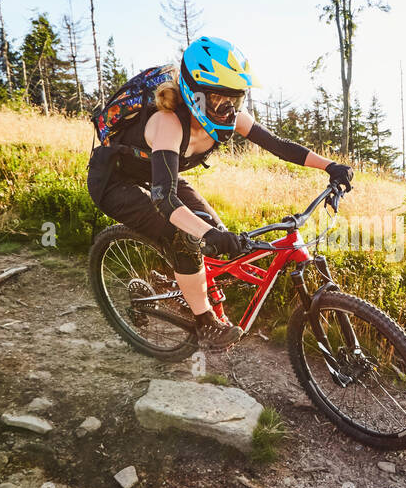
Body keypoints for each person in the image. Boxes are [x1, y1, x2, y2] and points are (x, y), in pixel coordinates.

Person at [87, 35, 353, 348]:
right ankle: (205, 322)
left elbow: (280, 147)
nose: (227, 108)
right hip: (116, 183)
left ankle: (181, 283)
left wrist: (330, 166)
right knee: (185, 236)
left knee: (218, 236)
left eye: (235, 99)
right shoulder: (168, 122)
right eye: (218, 99)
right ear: (194, 93)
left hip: (163, 178)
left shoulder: (229, 119)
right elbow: (164, 199)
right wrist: (202, 235)